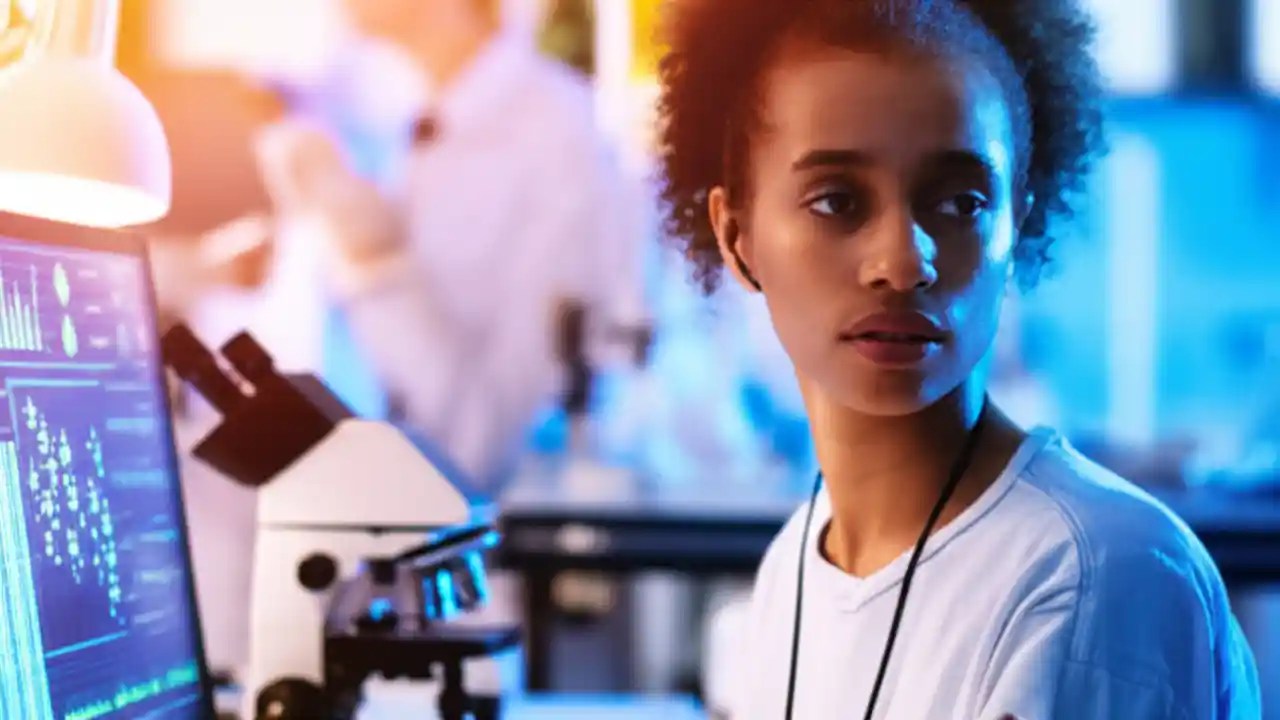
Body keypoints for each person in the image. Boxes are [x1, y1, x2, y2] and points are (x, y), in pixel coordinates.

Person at [656, 1, 1261, 718]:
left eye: (961, 201)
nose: (903, 261)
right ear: (737, 235)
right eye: (837, 201)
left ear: (1017, 222)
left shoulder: (1091, 575)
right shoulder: (794, 568)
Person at [316, 0, 645, 492]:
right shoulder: (405, 125)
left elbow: (488, 443)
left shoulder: (554, 137)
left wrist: (377, 268)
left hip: (498, 536)